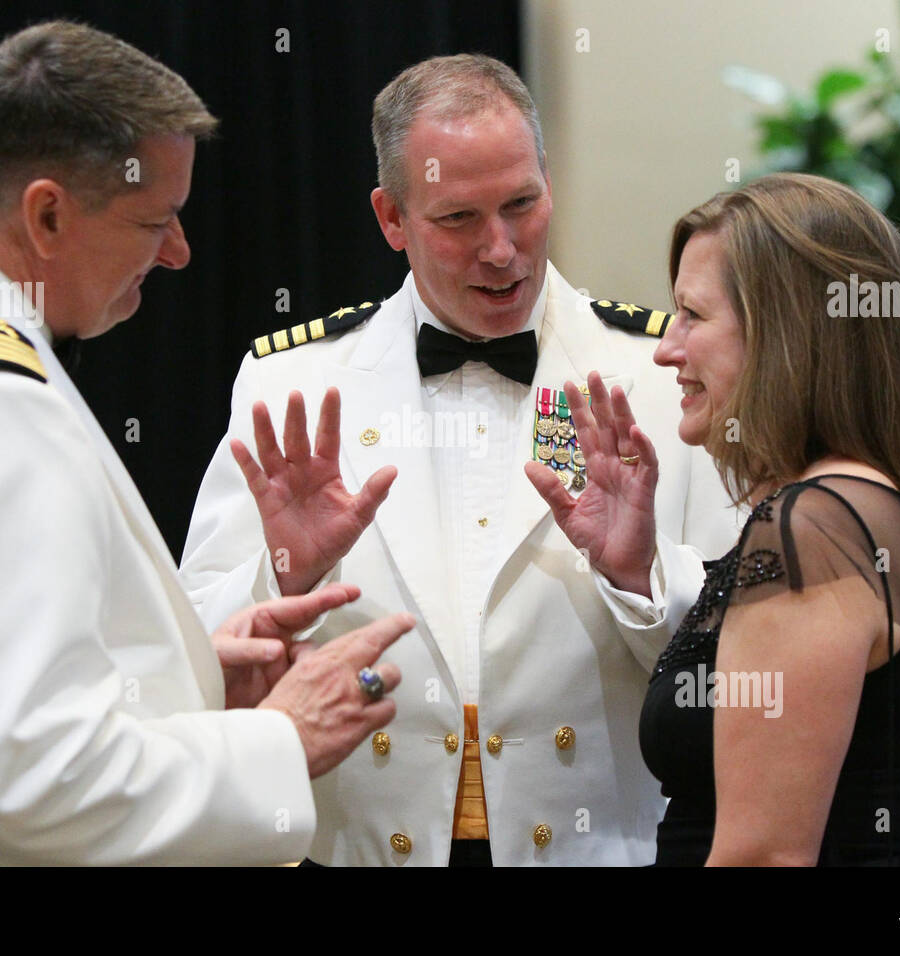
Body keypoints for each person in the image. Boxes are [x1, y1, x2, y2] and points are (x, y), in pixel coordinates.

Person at [0, 21, 412, 866]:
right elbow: (40, 779)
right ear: (46, 213)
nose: (181, 253)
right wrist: (282, 738)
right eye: (157, 219)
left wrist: (180, 679)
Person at [180, 54, 740, 866]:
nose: (502, 250)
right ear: (392, 218)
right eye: (458, 219)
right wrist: (281, 577)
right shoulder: (292, 380)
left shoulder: (659, 376)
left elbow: (739, 674)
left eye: (522, 203)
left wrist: (639, 578)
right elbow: (195, 654)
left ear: (550, 180)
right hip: (361, 851)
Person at [571, 172, 900, 865]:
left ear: (786, 335)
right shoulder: (879, 510)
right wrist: (631, 569)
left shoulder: (816, 525)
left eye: (693, 316)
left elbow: (764, 857)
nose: (666, 349)